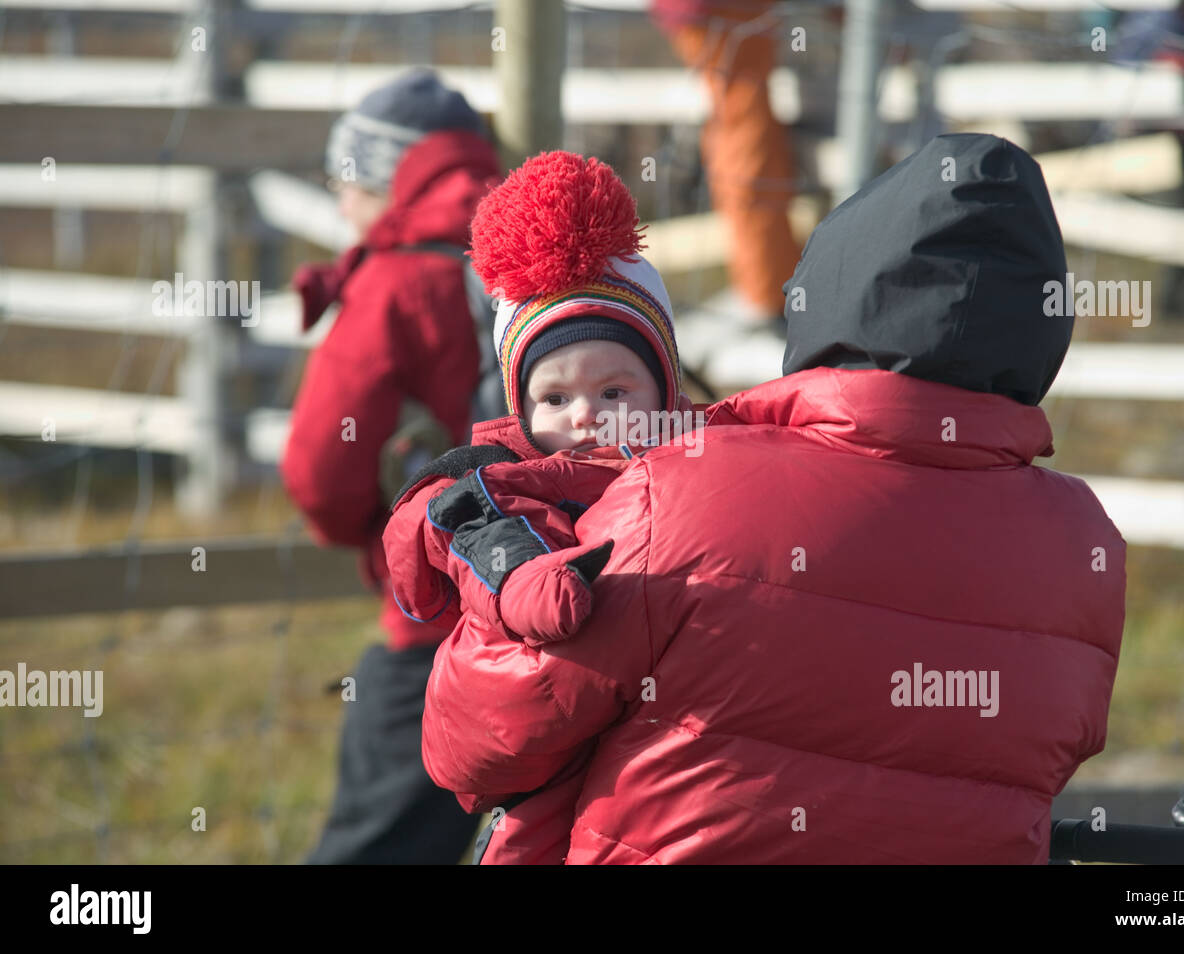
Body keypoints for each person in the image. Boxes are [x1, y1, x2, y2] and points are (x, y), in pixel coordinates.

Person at [417, 133, 1128, 863]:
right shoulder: (1088, 549)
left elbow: (482, 740)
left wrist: (493, 547)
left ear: (832, 291)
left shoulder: (684, 492)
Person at [384, 151, 699, 864]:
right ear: (521, 407)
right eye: (556, 398)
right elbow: (489, 559)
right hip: (554, 782)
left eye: (616, 392)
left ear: (666, 393)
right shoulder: (505, 490)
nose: (586, 416)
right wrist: (533, 590)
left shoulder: (702, 466)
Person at [281, 67, 501, 864]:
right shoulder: (525, 271)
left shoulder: (395, 283)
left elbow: (320, 469)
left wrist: (369, 534)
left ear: (387, 177)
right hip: (559, 618)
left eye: (347, 178)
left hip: (432, 627)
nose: (341, 201)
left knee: (377, 847)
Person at [651, 0, 803, 332]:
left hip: (707, 10)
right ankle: (768, 291)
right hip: (722, 8)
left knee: (738, 122)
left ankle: (766, 284)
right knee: (746, 128)